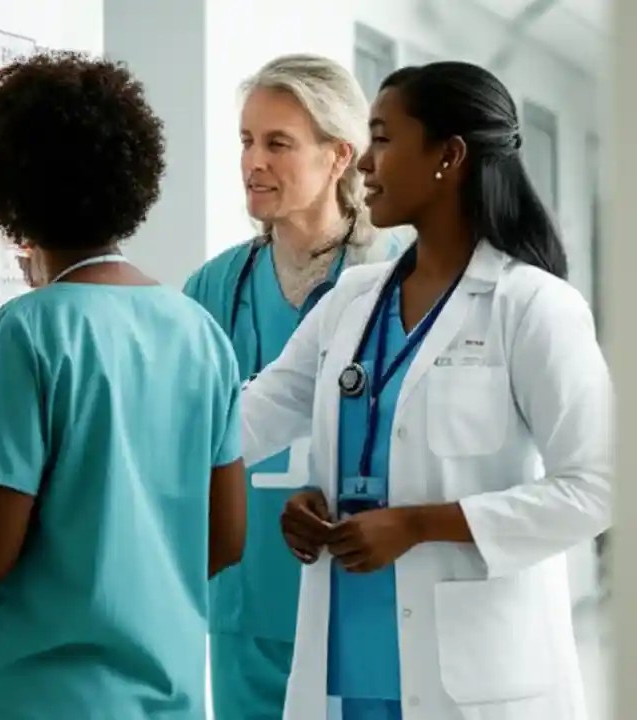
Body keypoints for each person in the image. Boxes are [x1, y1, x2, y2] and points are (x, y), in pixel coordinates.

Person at [0, 51, 247, 719]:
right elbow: (225, 540)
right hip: (165, 696)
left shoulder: (23, 335)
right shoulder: (198, 330)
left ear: (6, 195)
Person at [239, 61, 612, 720]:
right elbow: (253, 417)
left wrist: (419, 524)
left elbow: (601, 485)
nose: (365, 164)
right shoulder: (351, 300)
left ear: (450, 155)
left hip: (475, 680)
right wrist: (310, 499)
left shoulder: (530, 306)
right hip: (346, 663)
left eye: (382, 138)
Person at [182, 54, 399, 720]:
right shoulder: (213, 287)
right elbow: (184, 436)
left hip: (361, 594)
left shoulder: (395, 281)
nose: (254, 162)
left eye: (278, 144)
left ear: (339, 156)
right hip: (245, 598)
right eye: (247, 141)